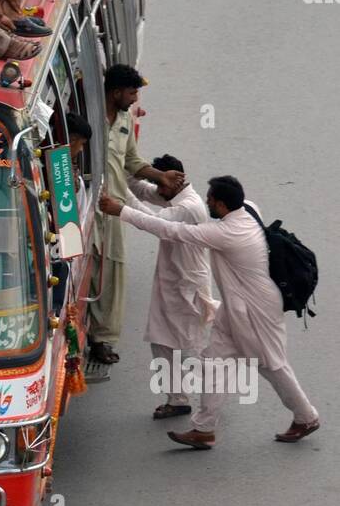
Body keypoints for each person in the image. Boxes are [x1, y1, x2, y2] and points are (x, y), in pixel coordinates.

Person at [100, 176, 321, 447]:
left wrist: (121, 210)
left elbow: (171, 230)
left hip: (256, 310)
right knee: (214, 364)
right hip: (237, 308)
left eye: (211, 200)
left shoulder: (226, 233)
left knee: (271, 365)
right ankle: (204, 429)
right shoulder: (249, 209)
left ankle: (306, 416)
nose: (206, 203)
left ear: (222, 204)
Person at [88, 64, 185, 366]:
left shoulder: (124, 119)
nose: (134, 100)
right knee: (83, 269)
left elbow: (132, 161)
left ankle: (103, 338)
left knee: (112, 268)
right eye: (131, 93)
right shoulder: (89, 116)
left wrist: (160, 177)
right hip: (83, 206)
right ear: (116, 92)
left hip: (114, 206)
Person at [124, 155, 218, 419]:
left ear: (176, 179)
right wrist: (128, 169)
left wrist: (121, 204)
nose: (158, 189)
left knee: (191, 347)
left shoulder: (189, 207)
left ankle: (216, 391)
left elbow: (157, 223)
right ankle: (177, 399)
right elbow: (142, 189)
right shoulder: (172, 193)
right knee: (161, 341)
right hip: (172, 285)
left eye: (161, 183)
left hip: (188, 287)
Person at [66, 111, 92, 221]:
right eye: (81, 144)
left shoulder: (74, 176)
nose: (81, 149)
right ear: (72, 140)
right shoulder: (69, 179)